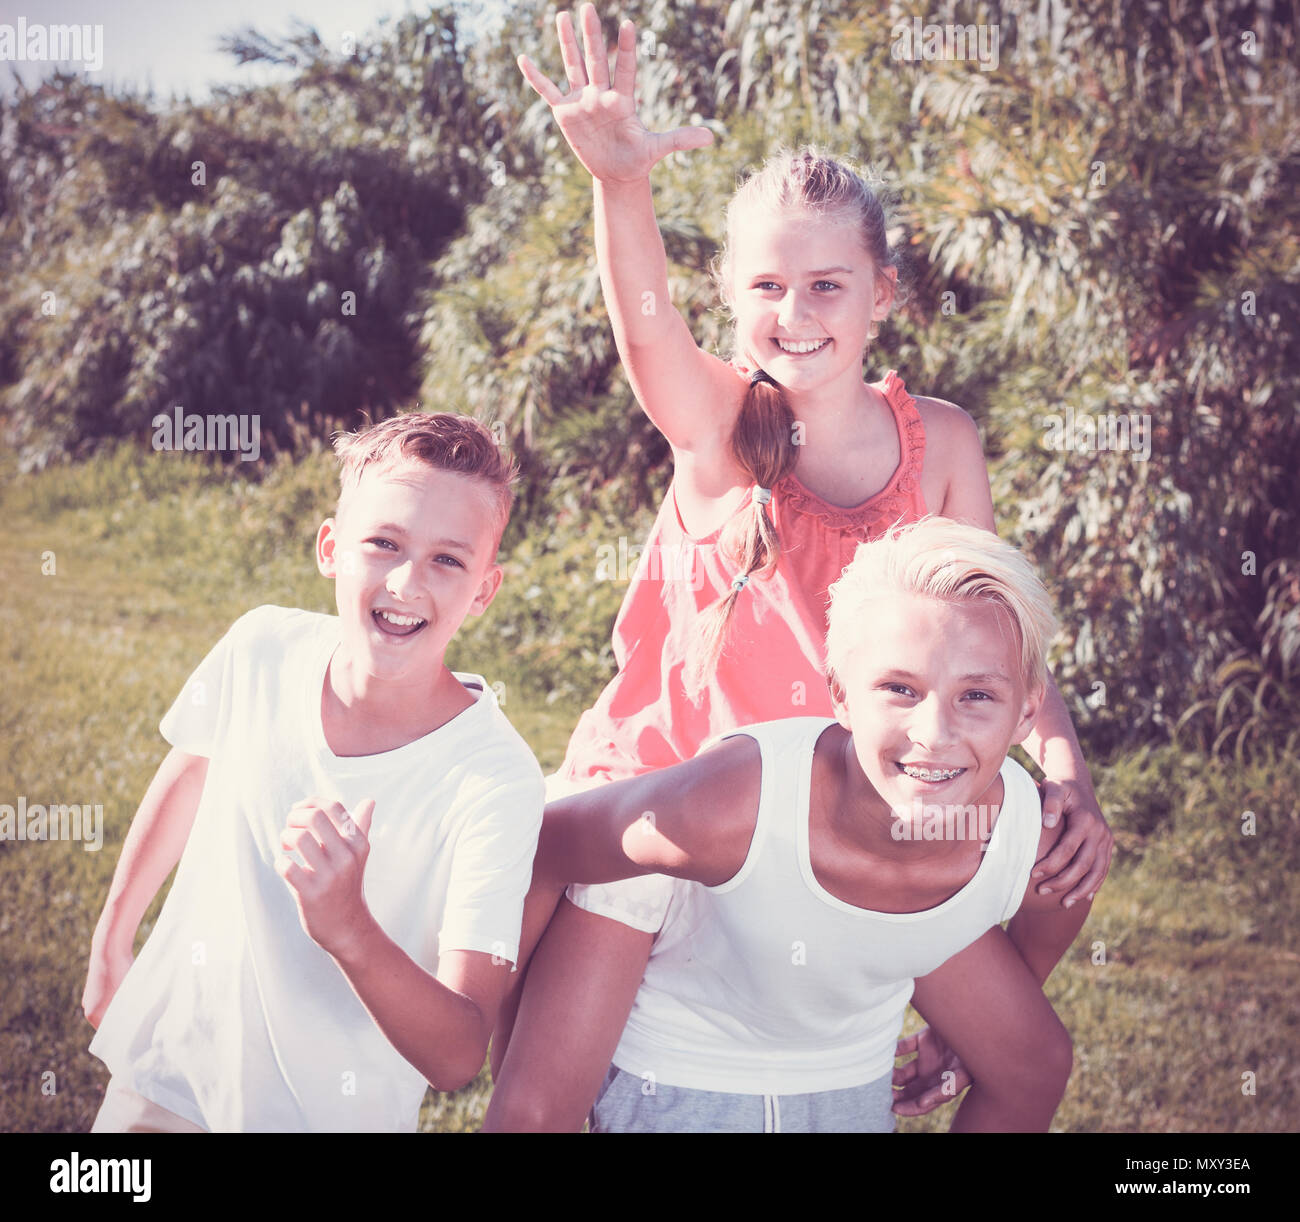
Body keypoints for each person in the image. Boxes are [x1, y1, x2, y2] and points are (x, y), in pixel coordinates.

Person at [485, 5, 1111, 1132]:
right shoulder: (724, 423)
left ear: (882, 293)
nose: (796, 312)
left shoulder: (945, 443)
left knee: (1029, 1017)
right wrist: (622, 188)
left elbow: (991, 634)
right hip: (674, 794)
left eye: (827, 285)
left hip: (850, 796)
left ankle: (935, 1037)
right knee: (534, 1102)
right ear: (730, 292)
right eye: (768, 286)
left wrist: (1059, 760)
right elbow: (644, 335)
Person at [527, 518, 1088, 1132]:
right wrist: (512, 1043)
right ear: (840, 697)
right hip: (682, 1079)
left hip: (849, 1084)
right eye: (900, 689)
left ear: (1027, 710)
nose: (934, 735)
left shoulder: (1035, 843)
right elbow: (545, 841)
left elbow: (1037, 1026)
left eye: (976, 695)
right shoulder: (726, 806)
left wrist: (969, 1030)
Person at [82, 413, 545, 1132]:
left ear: (486, 589)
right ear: (331, 547)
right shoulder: (261, 645)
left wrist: (347, 926)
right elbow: (196, 765)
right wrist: (113, 933)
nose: (405, 581)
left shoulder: (495, 780)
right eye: (384, 543)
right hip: (167, 1075)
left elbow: (457, 1055)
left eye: (447, 560)